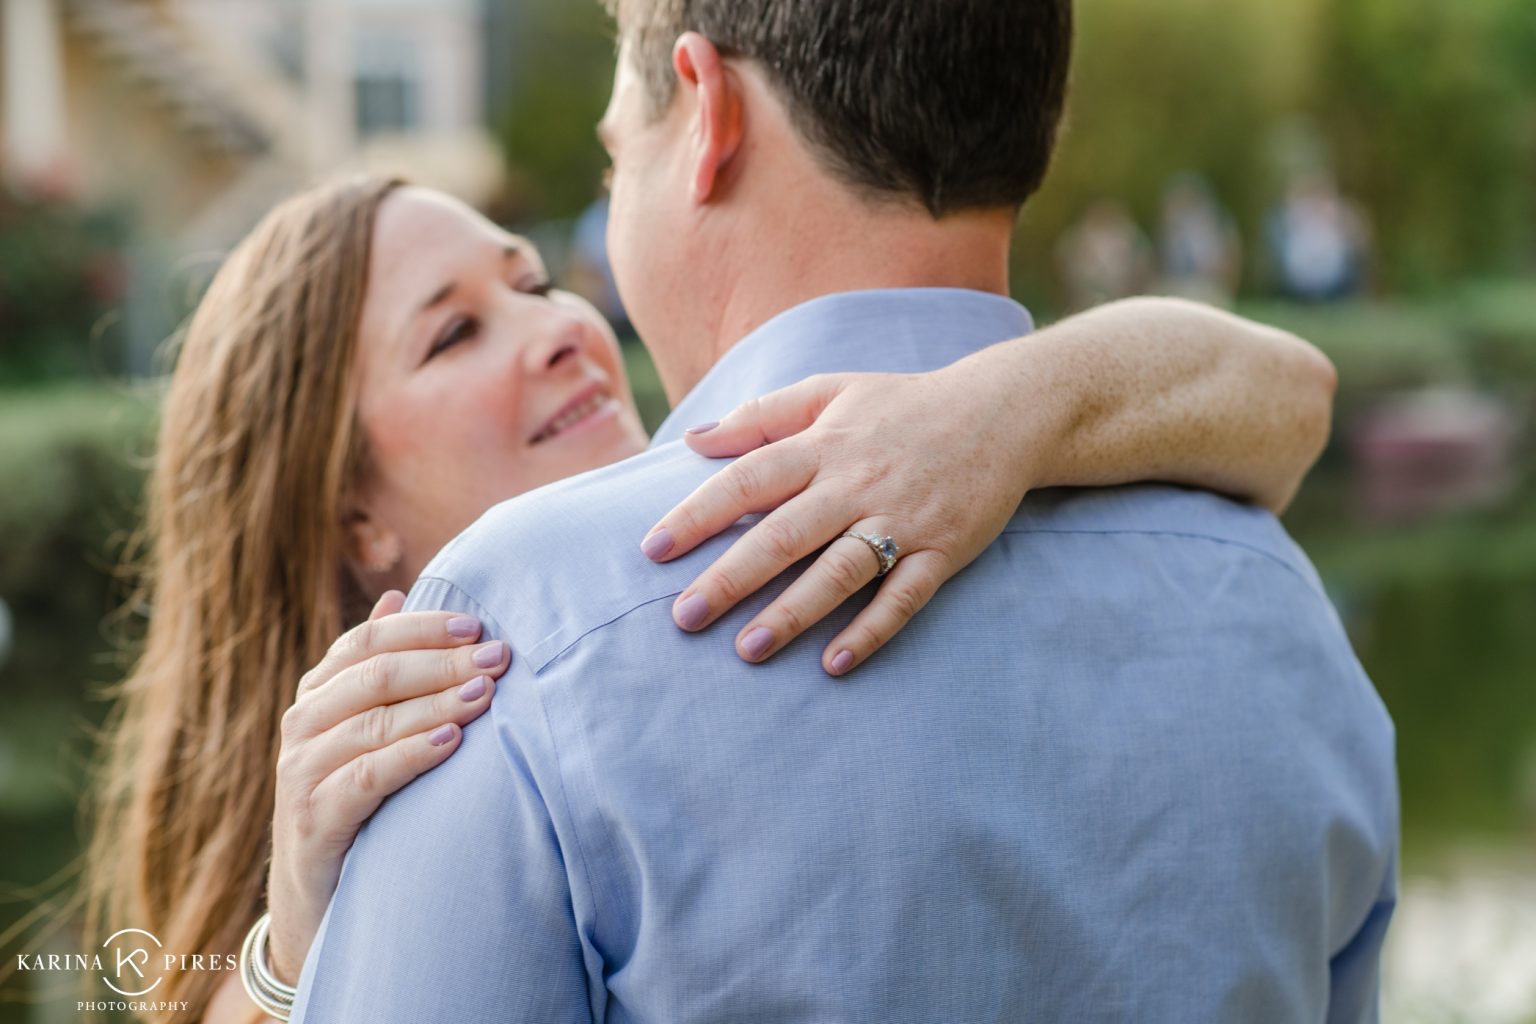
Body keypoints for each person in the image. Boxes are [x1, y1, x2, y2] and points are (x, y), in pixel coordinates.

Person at [288, 1, 1396, 1021]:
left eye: (617, 157)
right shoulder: (1281, 601)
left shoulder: (513, 634)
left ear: (707, 111)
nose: (564, 327)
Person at [77, 174, 1335, 1024]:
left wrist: (1000, 412)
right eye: (455, 333)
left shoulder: (851, 468)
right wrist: (297, 945)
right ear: (351, 512)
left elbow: (1287, 395)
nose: (560, 325)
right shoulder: (355, 805)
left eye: (531, 279)